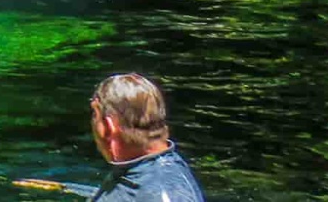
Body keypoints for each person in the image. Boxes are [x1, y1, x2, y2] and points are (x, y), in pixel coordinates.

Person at [18, 74, 207, 200]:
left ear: (109, 126)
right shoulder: (139, 167)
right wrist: (64, 189)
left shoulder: (163, 191)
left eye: (94, 114)